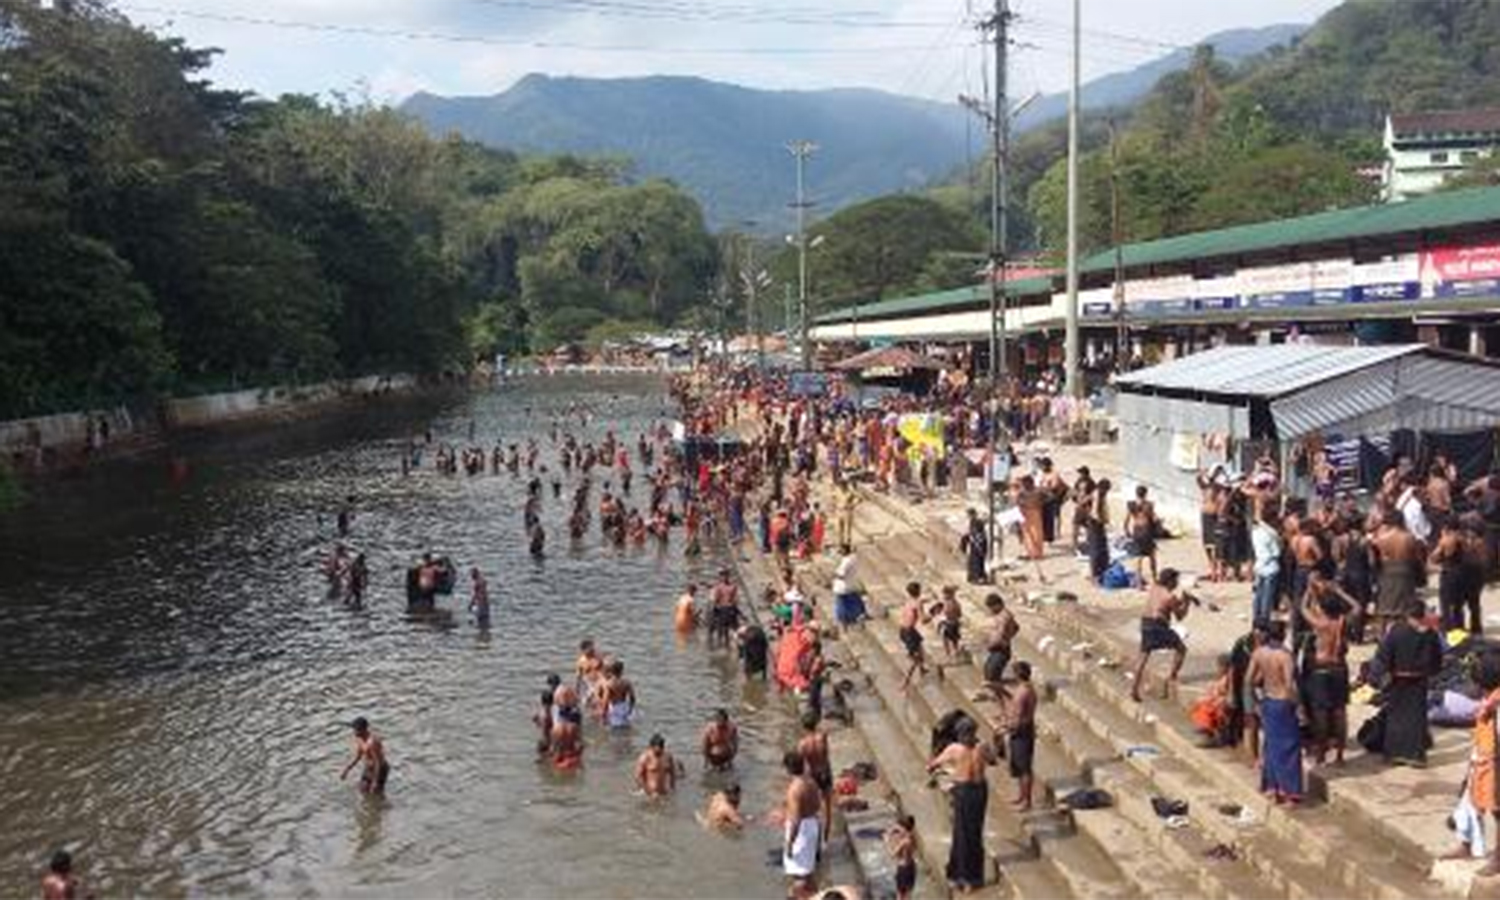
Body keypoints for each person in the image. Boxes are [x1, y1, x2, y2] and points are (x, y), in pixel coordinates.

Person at [1374, 601, 1442, 766]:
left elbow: (1384, 655)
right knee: (1416, 718)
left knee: (1396, 718)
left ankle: (1394, 753)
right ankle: (1415, 755)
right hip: (1419, 681)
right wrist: (1431, 673)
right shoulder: (1431, 635)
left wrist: (1384, 674)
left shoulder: (1396, 631)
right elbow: (1436, 660)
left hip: (1398, 681)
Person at [927, 719, 989, 893]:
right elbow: (993, 760)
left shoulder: (955, 749)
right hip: (976, 791)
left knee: (966, 834)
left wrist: (943, 770)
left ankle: (966, 878)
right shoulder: (981, 746)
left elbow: (931, 765)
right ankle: (967, 877)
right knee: (970, 833)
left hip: (968, 792)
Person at [1455, 650, 1500, 875]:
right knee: (1469, 802)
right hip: (1481, 757)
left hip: (1493, 763)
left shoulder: (1496, 705)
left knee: (1497, 810)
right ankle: (1467, 844)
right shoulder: (1489, 700)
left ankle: (1498, 859)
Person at [1303, 575, 1356, 766]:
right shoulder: (1342, 622)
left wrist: (1309, 590)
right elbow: (1357, 607)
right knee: (1340, 712)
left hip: (1321, 669)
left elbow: (1303, 608)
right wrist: (1340, 592)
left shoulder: (1320, 624)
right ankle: (1340, 755)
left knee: (1321, 714)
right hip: (1339, 668)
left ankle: (1321, 754)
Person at [1247, 621, 1302, 805]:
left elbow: (1249, 680)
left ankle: (1272, 788)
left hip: (1268, 701)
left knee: (1271, 746)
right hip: (1283, 703)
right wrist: (1300, 707)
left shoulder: (1259, 653)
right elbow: (1289, 685)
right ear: (1283, 635)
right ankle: (1290, 792)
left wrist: (1256, 701)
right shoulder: (1285, 656)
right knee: (1289, 747)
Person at [1130, 569, 1192, 703]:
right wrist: (1187, 603)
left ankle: (1134, 688)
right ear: (1170, 581)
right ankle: (1172, 677)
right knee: (1181, 649)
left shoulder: (1154, 588)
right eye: (1175, 581)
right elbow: (1180, 616)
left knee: (1143, 657)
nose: (1176, 583)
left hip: (1145, 623)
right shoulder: (1170, 596)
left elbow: (1164, 605)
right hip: (1158, 626)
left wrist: (1182, 600)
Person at [782, 750, 824, 900]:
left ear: (788, 768)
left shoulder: (795, 789)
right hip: (813, 824)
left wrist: (790, 843)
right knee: (809, 873)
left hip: (801, 832)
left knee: (798, 875)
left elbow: (796, 819)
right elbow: (818, 806)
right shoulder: (811, 782)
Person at [1004, 661, 1038, 812]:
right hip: (1016, 730)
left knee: (1025, 768)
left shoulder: (1027, 692)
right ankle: (1021, 796)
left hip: (1023, 731)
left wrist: (1012, 726)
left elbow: (1025, 716)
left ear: (1018, 674)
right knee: (1018, 766)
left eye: (1014, 672)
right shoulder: (1021, 689)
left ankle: (1027, 801)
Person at [798, 711, 834, 842]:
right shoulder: (822, 737)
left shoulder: (802, 744)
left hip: (813, 776)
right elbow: (826, 754)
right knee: (827, 809)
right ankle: (826, 838)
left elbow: (800, 766)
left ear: (803, 727)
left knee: (812, 809)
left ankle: (815, 840)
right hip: (825, 773)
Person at [1191, 654, 1234, 747]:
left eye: (1221, 666)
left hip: (1222, 703)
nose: (1219, 669)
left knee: (1208, 708)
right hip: (1216, 700)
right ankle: (1206, 733)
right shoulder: (1221, 678)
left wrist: (1216, 700)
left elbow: (1229, 696)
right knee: (1200, 705)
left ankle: (1210, 734)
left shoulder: (1230, 679)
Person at [982, 592, 1018, 701]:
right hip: (996, 649)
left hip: (1001, 650)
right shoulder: (1001, 615)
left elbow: (1002, 633)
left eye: (991, 607)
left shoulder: (1005, 617)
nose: (990, 610)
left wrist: (1004, 639)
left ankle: (1002, 697)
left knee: (993, 675)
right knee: (988, 670)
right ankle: (995, 695)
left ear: (998, 605)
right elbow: (1016, 627)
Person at [340, 717, 390, 795]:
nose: (354, 732)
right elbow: (358, 756)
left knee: (375, 792)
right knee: (362, 789)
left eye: (356, 730)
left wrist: (375, 781)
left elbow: (377, 763)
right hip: (368, 767)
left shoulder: (372, 742)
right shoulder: (360, 739)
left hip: (380, 769)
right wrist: (347, 769)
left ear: (363, 729)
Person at [1250, 506, 1283, 626]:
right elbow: (1276, 552)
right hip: (1271, 566)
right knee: (1267, 596)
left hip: (1259, 565)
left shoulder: (1256, 531)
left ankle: (1256, 617)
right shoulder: (1272, 533)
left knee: (1258, 594)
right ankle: (1264, 619)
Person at [897, 581, 930, 691]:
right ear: (919, 591)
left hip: (903, 629)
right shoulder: (918, 604)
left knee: (920, 647)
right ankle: (904, 682)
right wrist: (932, 614)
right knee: (915, 658)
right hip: (909, 632)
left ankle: (922, 669)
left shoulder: (909, 600)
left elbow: (918, 602)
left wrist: (927, 600)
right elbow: (923, 620)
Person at [1127, 485, 1159, 585]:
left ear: (1136, 494)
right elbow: (1154, 518)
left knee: (1138, 557)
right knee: (1152, 556)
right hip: (1146, 531)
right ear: (1145, 494)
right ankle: (1154, 579)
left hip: (1137, 530)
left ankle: (1138, 582)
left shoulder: (1131, 505)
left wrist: (1127, 531)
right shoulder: (1149, 505)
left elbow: (1126, 520)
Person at [832, 545, 869, 626]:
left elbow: (841, 574)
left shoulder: (846, 562)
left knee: (841, 605)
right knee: (855, 600)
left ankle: (844, 620)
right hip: (851, 584)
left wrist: (835, 573)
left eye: (841, 551)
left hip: (843, 587)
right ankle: (860, 613)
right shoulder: (853, 558)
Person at [885, 815, 918, 900]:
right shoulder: (912, 837)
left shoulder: (905, 842)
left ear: (904, 828)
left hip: (903, 870)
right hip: (911, 867)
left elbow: (892, 854)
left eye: (900, 829)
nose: (898, 832)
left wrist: (887, 841)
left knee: (900, 895)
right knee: (908, 893)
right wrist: (893, 831)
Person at [635, 733, 678, 797]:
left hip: (664, 792)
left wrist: (672, 787)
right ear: (651, 747)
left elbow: (672, 773)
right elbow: (638, 776)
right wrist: (645, 790)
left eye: (661, 750)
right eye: (656, 752)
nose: (659, 753)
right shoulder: (645, 757)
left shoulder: (668, 756)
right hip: (650, 793)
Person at [599, 660, 637, 729]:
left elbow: (605, 701)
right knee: (627, 728)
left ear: (612, 671)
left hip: (614, 708)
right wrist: (630, 709)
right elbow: (633, 698)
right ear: (622, 670)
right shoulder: (627, 682)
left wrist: (603, 714)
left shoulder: (609, 684)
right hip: (624, 706)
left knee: (613, 729)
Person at [709, 570, 742, 648]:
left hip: (730, 609)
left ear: (728, 576)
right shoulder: (718, 587)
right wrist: (716, 607)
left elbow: (735, 599)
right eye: (723, 576)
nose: (724, 577)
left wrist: (734, 607)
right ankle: (720, 643)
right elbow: (715, 599)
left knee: (734, 628)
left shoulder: (733, 586)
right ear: (720, 577)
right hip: (722, 609)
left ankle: (731, 643)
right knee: (720, 629)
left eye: (726, 575)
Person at [960, 508, 990, 585]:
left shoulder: (978, 523)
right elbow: (970, 534)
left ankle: (979, 577)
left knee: (978, 562)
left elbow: (979, 534)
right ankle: (974, 577)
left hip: (979, 544)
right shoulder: (972, 522)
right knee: (973, 562)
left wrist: (977, 543)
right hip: (975, 545)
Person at [937, 585, 964, 663]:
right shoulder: (955, 603)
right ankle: (953, 651)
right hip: (953, 622)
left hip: (950, 623)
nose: (943, 596)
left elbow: (950, 613)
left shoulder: (951, 603)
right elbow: (960, 614)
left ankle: (950, 652)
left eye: (945, 594)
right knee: (952, 638)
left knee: (948, 638)